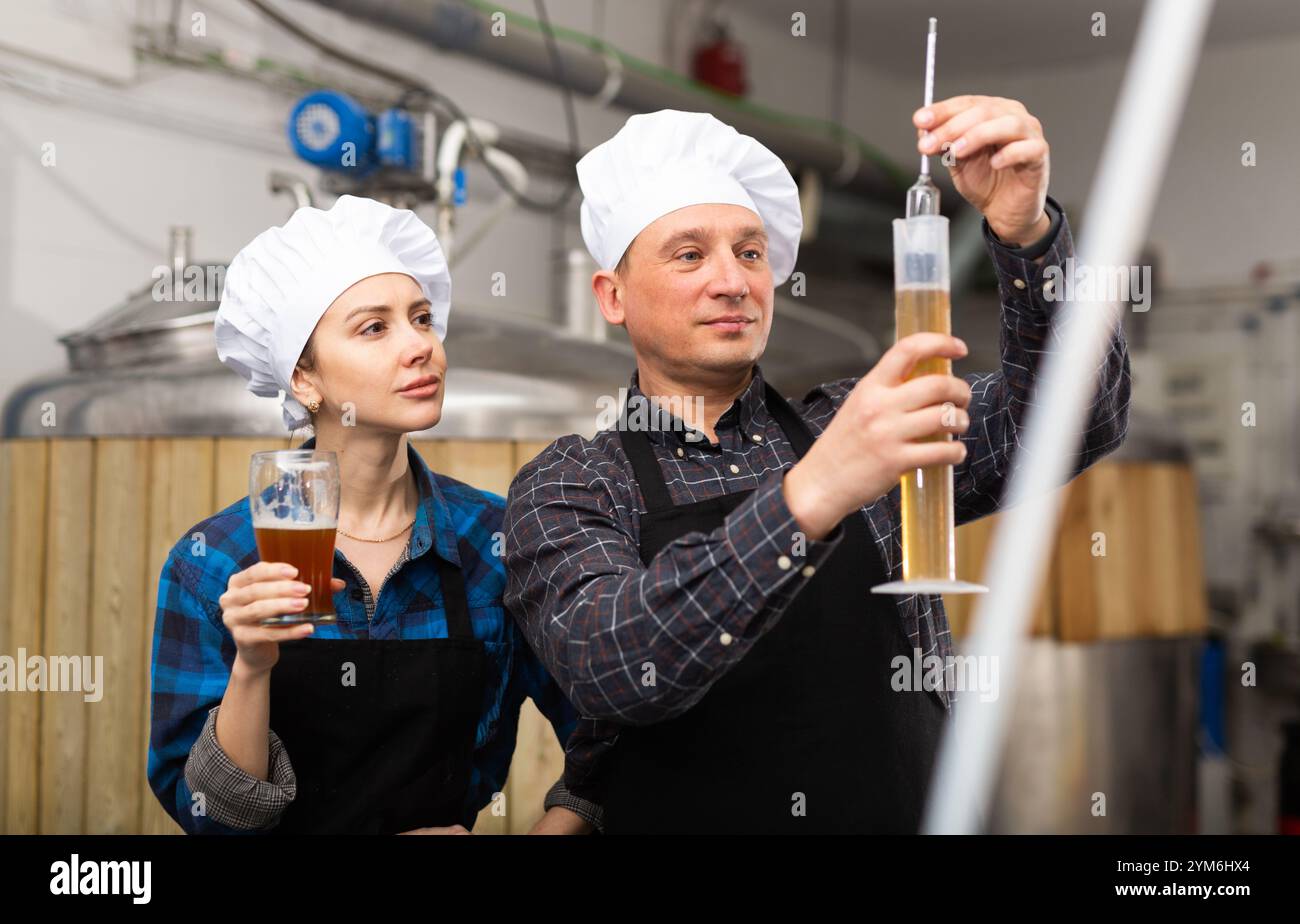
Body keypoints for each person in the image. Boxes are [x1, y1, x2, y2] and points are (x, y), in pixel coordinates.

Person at [504, 104, 1131, 833]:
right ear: (612, 296)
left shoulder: (861, 421)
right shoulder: (574, 483)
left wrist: (1028, 235)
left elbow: (1077, 419)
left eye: (750, 252)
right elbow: (612, 664)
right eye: (689, 255)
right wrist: (814, 492)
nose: (732, 281)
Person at [148, 195, 598, 834]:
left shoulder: (498, 541)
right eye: (374, 328)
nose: (420, 346)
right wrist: (251, 666)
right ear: (304, 379)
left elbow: (607, 737)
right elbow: (212, 820)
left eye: (422, 318)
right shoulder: (213, 562)